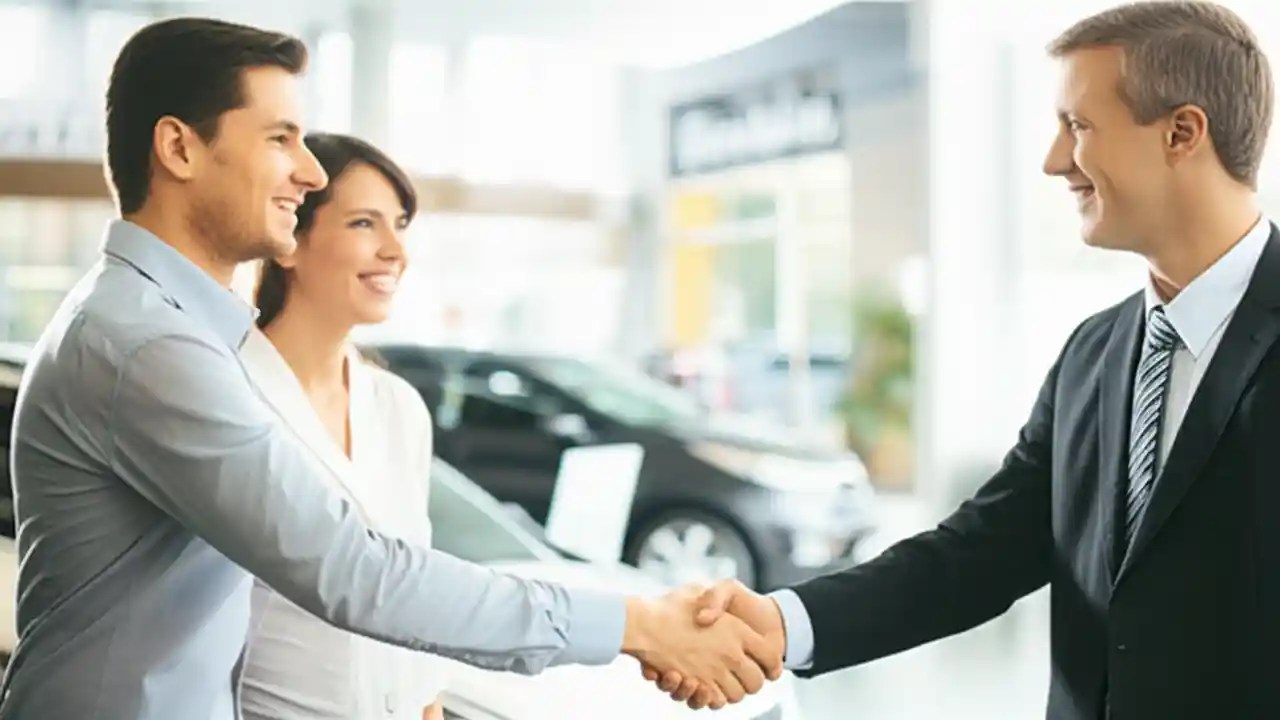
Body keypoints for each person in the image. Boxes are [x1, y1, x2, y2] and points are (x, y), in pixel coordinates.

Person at [0, 18, 781, 719]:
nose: (308, 173)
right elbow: (352, 571)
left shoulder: (176, 334)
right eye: (280, 138)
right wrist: (637, 626)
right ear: (178, 148)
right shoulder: (147, 346)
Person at [652, 2, 1280, 718]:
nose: (1053, 161)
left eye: (1077, 126)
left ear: (1181, 132)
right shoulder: (1093, 354)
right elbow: (984, 552)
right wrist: (783, 623)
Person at [235, 133, 445, 720]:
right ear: (289, 242)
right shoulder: (230, 394)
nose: (394, 250)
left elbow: (416, 591)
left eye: (400, 224)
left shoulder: (398, 406)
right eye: (363, 224)